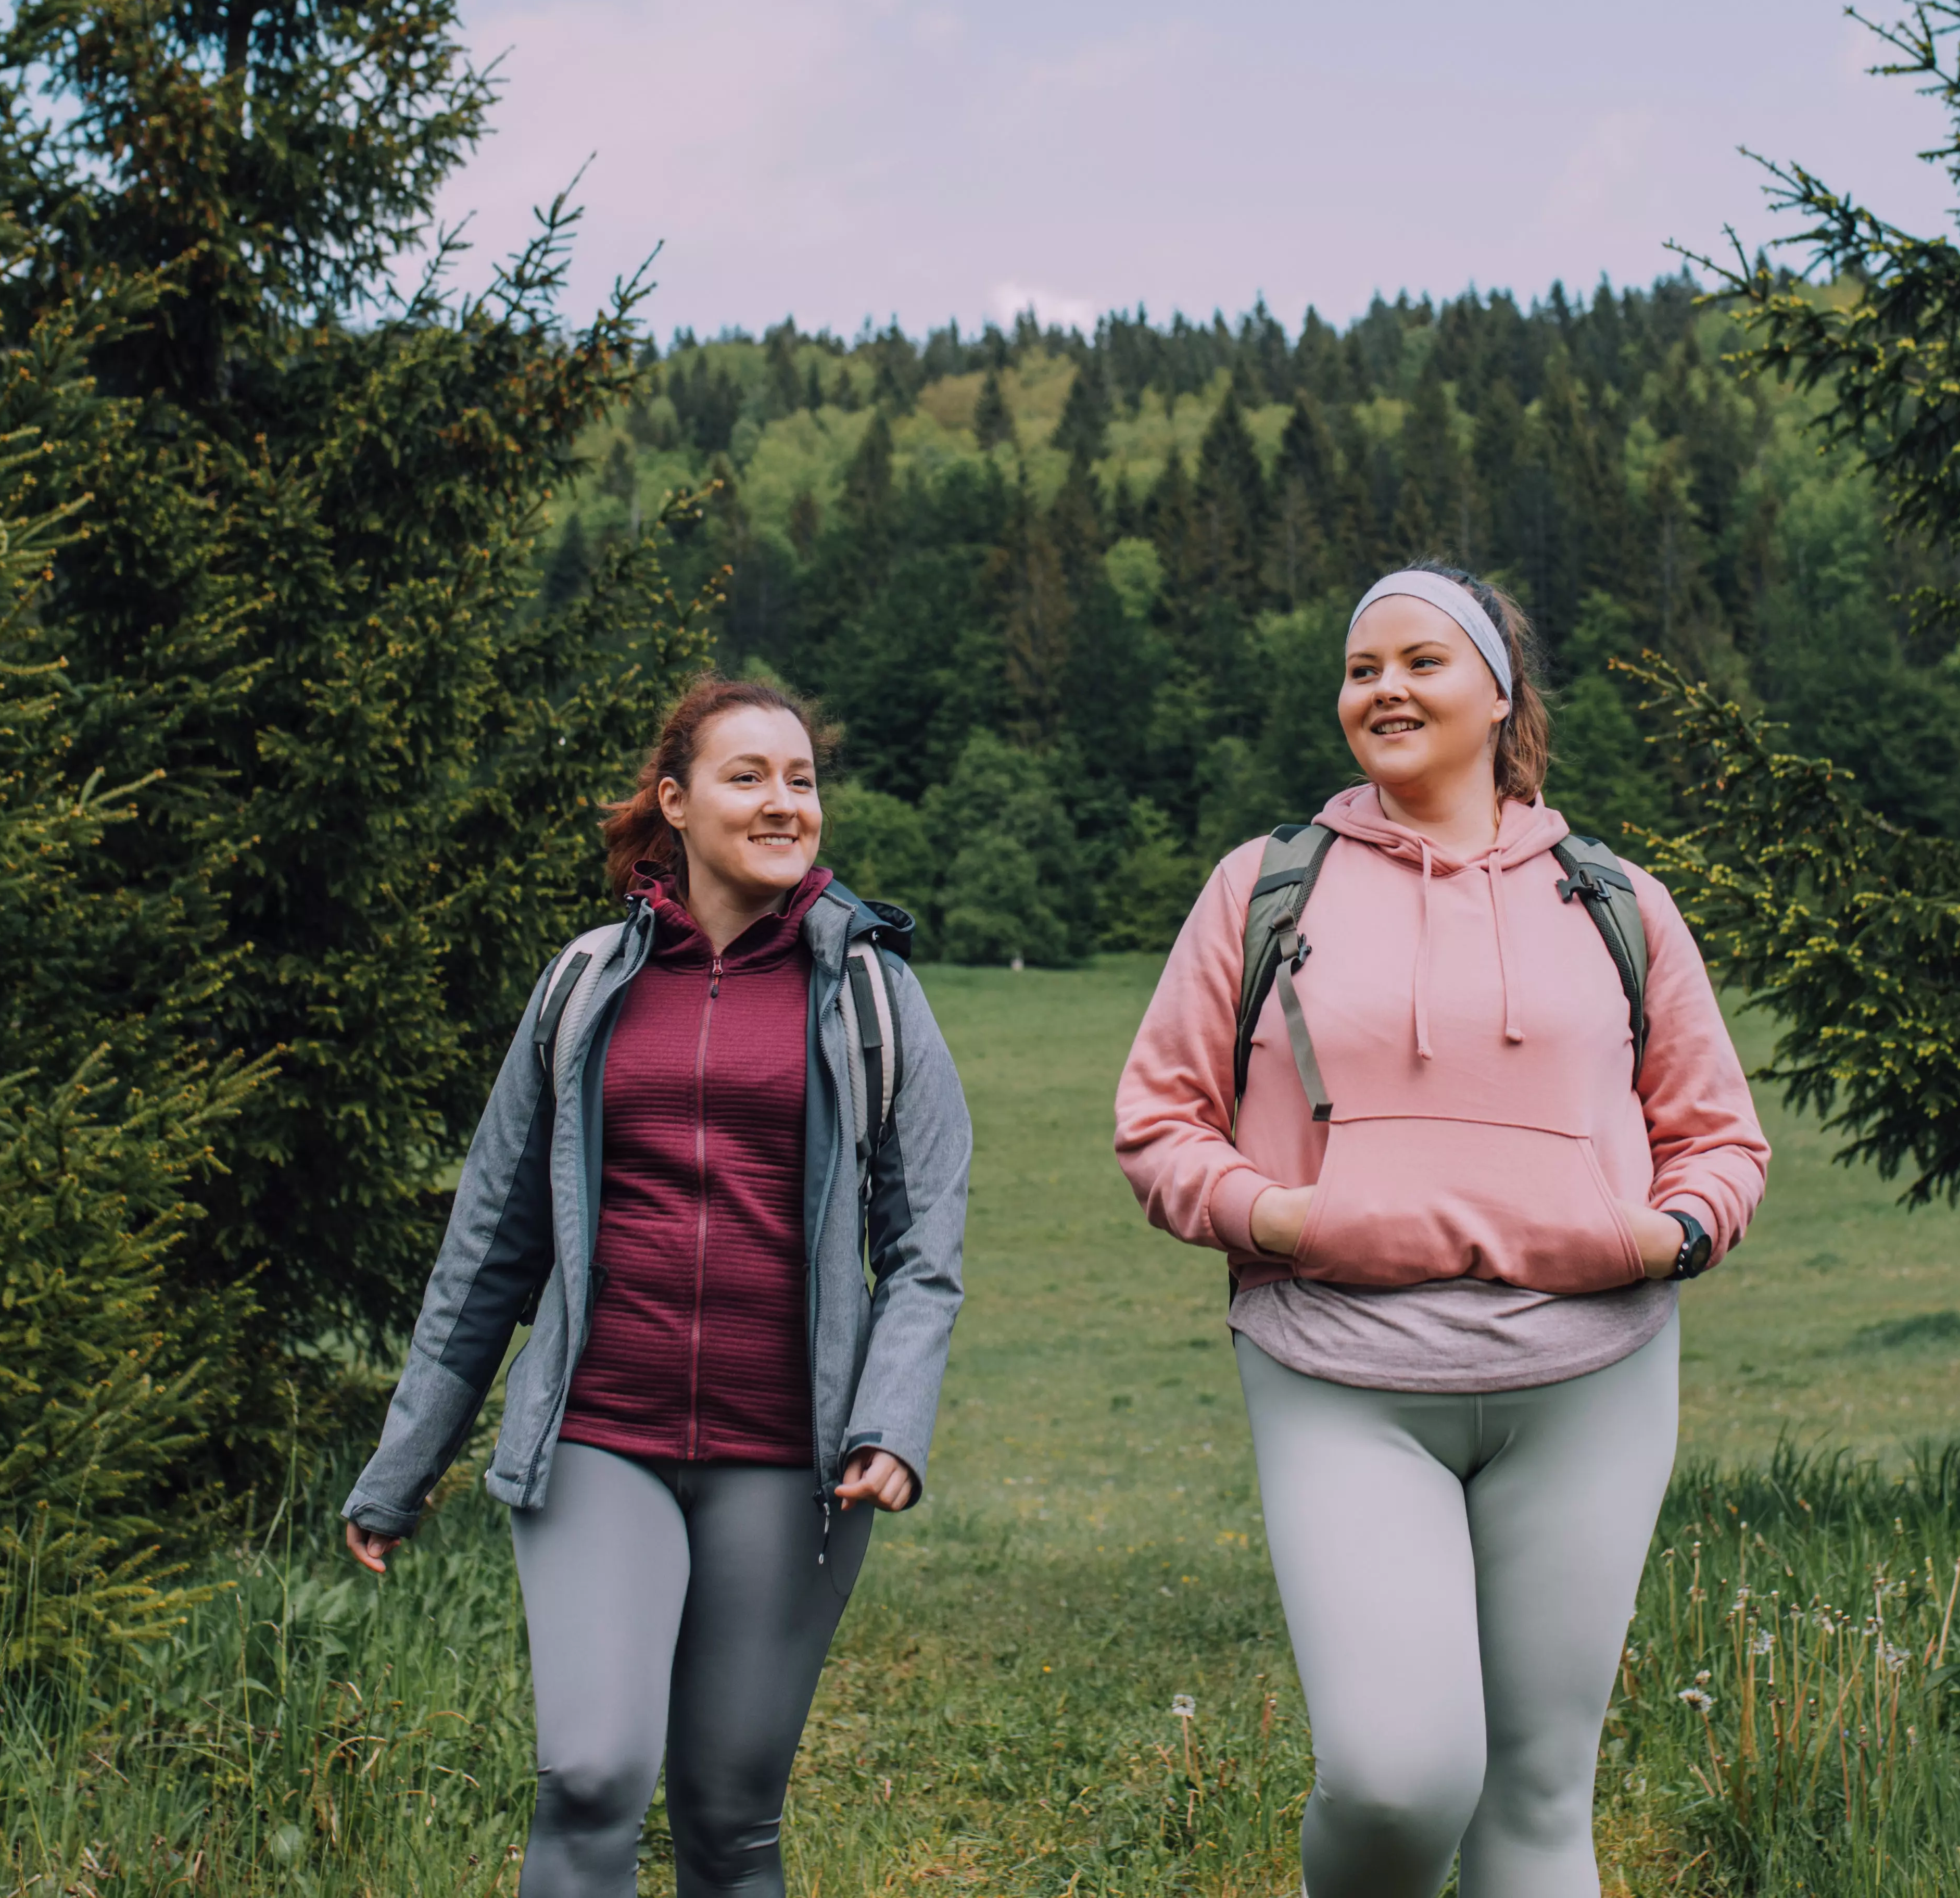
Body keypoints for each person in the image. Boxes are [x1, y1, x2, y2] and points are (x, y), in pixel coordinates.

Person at [1114, 563, 1768, 1898]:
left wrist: (1665, 1238)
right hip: (1340, 1368)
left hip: (1594, 1372)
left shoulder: (1615, 898)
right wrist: (1283, 1214)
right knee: (1397, 1779)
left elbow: (1720, 1138)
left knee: (1538, 1794)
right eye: (1363, 670)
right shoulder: (1265, 886)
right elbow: (1162, 1121)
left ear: (1499, 693)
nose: (1385, 688)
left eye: (1421, 661)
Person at [341, 677, 971, 1898]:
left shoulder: (874, 996)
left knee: (731, 1817)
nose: (785, 802)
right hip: (599, 1435)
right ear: (675, 804)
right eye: (750, 777)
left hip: (787, 1460)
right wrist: (404, 1460)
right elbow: (489, 1243)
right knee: (588, 1773)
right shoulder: (584, 986)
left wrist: (892, 1422)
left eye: (802, 778)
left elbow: (924, 1243)